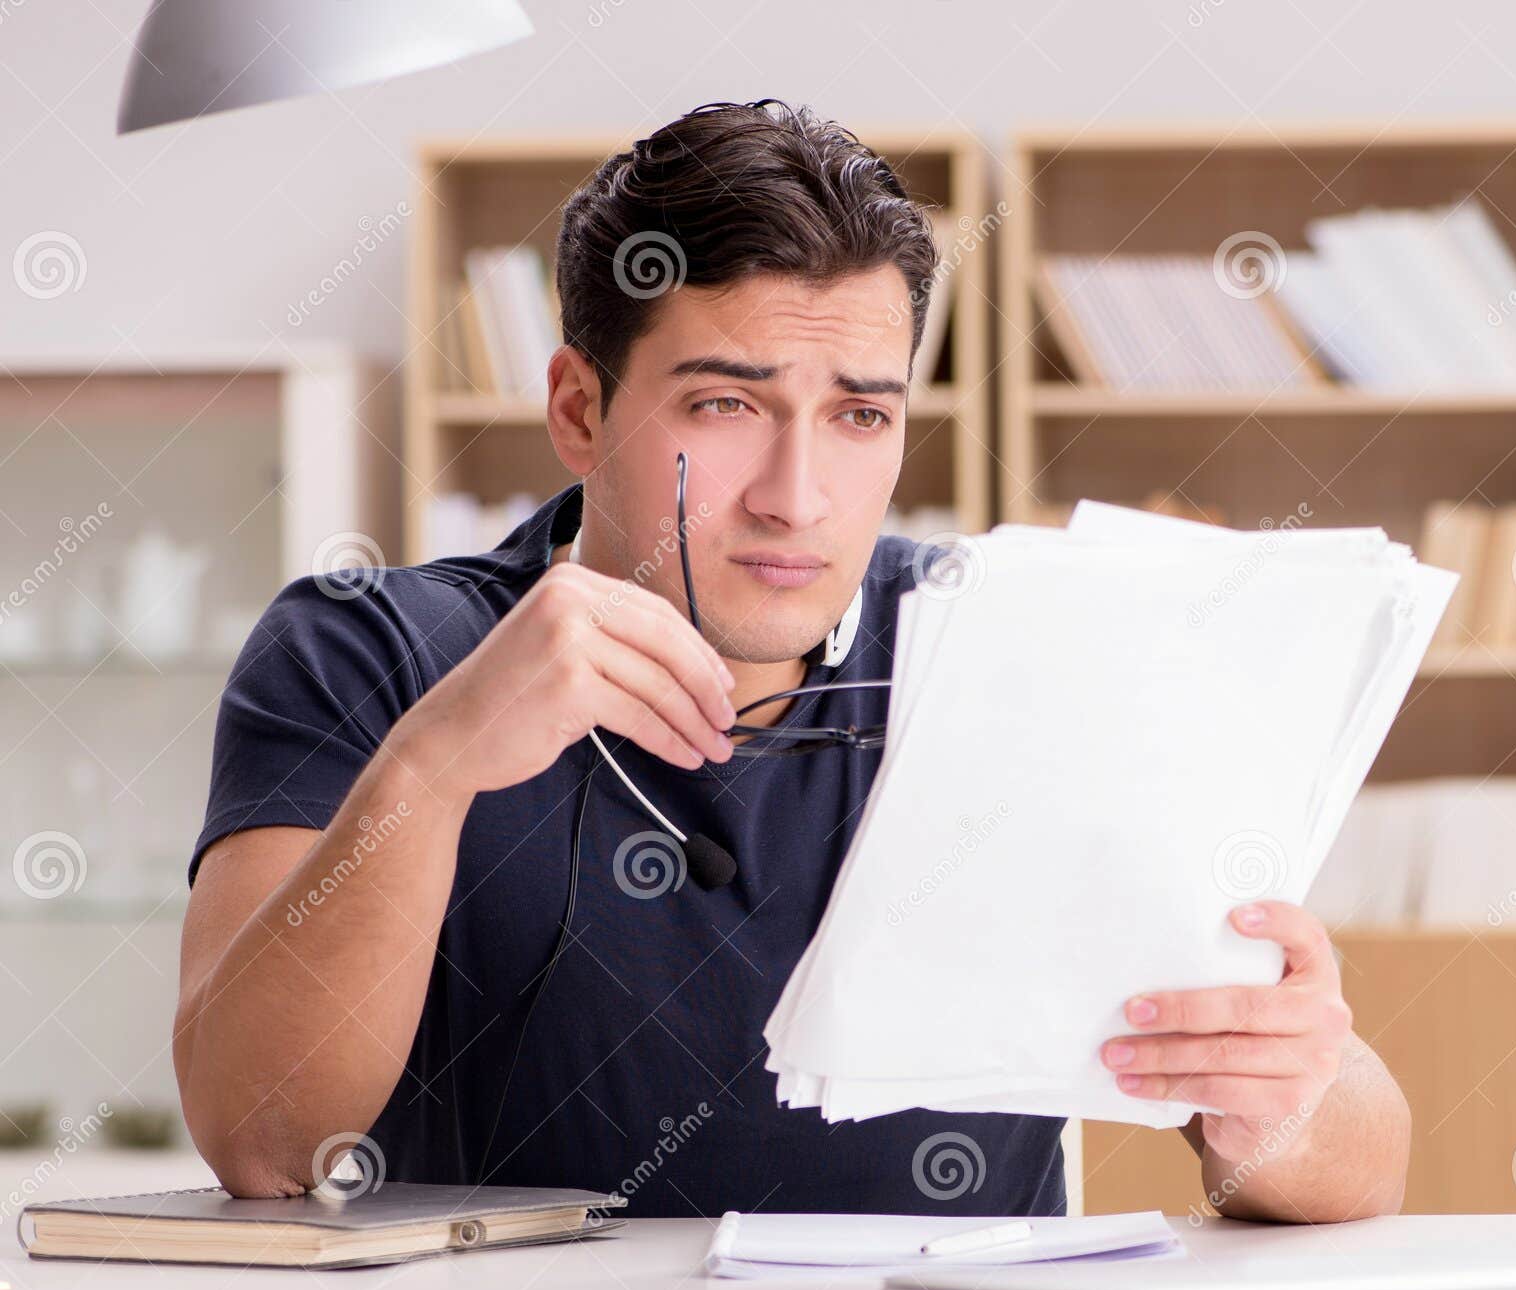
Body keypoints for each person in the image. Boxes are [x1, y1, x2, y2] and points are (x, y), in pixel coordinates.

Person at [174, 99, 1409, 1221]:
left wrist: (1284, 1094)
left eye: (860, 415)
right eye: (725, 405)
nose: (796, 496)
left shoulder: (1014, 650)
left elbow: (1364, 1166)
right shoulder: (370, 651)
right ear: (579, 410)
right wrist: (434, 769)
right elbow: (264, 1142)